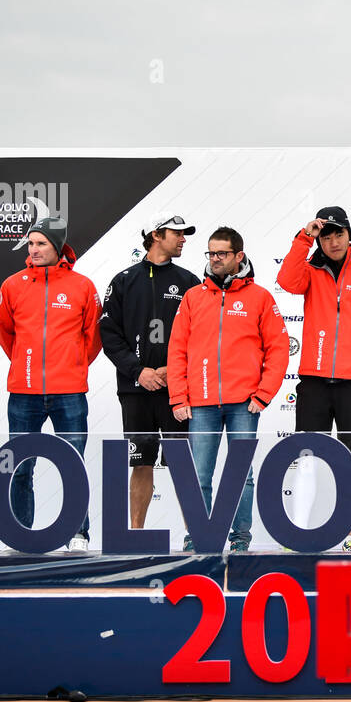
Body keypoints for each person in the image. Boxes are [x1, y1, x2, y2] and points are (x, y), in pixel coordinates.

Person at [167, 227, 288, 554]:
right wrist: (178, 396)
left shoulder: (260, 297)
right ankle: (198, 537)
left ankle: (239, 538)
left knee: (241, 476)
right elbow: (177, 348)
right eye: (211, 253)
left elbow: (278, 349)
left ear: (239, 256)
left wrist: (263, 393)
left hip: (243, 404)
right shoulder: (193, 297)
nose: (215, 259)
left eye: (221, 253)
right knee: (199, 476)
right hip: (201, 404)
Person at [276, 206, 351, 551]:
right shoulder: (309, 271)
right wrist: (303, 237)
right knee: (307, 458)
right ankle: (298, 532)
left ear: (349, 235)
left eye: (339, 233)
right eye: (326, 235)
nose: (333, 241)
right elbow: (285, 281)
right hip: (314, 380)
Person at [0, 210, 103, 552]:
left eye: (41, 243)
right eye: (30, 243)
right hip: (23, 393)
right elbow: (6, 334)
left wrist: (71, 365)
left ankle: (78, 533)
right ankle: (20, 535)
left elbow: (92, 337)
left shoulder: (83, 286)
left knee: (74, 463)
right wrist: (27, 366)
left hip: (69, 391)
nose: (34, 249)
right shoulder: (12, 285)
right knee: (20, 467)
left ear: (58, 246)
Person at [99, 213, 200, 536]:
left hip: (177, 390)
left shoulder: (190, 282)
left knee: (184, 464)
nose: (183, 239)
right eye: (177, 233)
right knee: (140, 462)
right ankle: (136, 534)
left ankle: (193, 536)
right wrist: (138, 371)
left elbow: (203, 335)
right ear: (156, 235)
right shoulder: (124, 280)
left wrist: (176, 370)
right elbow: (109, 334)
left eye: (185, 235)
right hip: (136, 390)